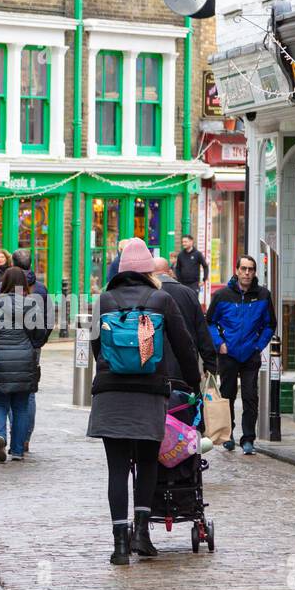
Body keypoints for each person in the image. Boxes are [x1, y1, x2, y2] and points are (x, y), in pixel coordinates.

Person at [88, 238, 197, 565]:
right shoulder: (161, 299)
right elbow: (183, 345)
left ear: (120, 271)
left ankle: (120, 544)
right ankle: (141, 535)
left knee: (117, 469)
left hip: (110, 394)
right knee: (148, 463)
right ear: (150, 271)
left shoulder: (103, 301)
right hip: (149, 393)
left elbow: (97, 349)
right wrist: (193, 382)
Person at [205, 255, 276, 454]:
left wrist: (258, 345)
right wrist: (219, 344)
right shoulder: (222, 295)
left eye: (250, 269)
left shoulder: (263, 295)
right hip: (228, 354)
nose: (247, 273)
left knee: (250, 396)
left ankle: (248, 439)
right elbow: (209, 322)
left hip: (250, 354)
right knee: (227, 395)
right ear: (236, 270)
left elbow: (270, 324)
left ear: (254, 272)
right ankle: (228, 435)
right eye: (243, 269)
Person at [0, 267, 50, 462]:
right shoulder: (31, 304)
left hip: (0, 360)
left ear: (4, 283)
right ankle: (17, 450)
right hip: (24, 359)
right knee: (21, 407)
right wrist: (31, 345)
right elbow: (39, 334)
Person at [153, 256, 216, 389]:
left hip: (155, 369)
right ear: (170, 272)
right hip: (185, 369)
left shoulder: (148, 294)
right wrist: (210, 365)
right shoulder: (188, 293)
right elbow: (202, 332)